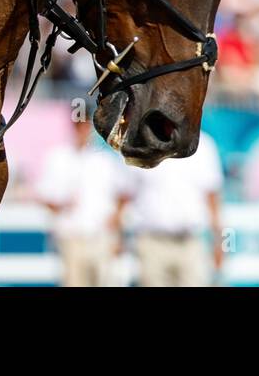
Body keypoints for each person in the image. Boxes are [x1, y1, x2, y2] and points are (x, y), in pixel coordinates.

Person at [122, 130, 225, 286]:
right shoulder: (141, 143)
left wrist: (218, 243)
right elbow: (126, 196)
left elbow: (213, 200)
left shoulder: (204, 145)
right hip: (152, 242)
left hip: (190, 243)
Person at [36, 115, 129, 286]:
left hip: (101, 235)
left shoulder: (104, 160)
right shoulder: (58, 157)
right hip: (71, 236)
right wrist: (60, 205)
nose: (84, 131)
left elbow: (123, 195)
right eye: (80, 126)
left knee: (105, 281)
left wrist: (116, 227)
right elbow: (44, 195)